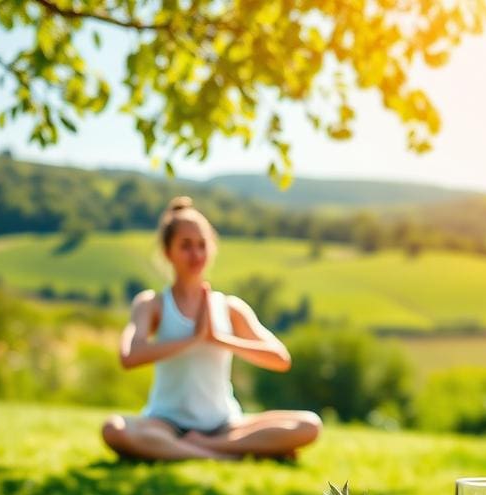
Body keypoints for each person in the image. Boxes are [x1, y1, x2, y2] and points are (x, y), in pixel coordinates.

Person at [101, 196, 321, 461]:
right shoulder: (152, 304)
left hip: (224, 424)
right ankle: (228, 454)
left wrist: (219, 339)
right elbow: (130, 356)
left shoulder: (229, 307)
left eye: (202, 245)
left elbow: (280, 358)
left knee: (309, 425)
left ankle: (204, 448)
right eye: (186, 246)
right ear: (168, 251)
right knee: (113, 429)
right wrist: (193, 340)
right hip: (166, 424)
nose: (196, 254)